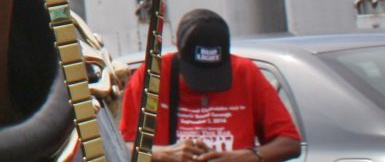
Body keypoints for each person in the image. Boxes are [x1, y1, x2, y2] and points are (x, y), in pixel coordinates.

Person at [119, 9, 302, 161]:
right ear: (178, 49)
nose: (205, 88)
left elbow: (291, 143)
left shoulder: (245, 73)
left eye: (214, 75)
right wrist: (164, 154)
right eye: (197, 74)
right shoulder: (151, 77)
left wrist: (244, 157)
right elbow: (121, 149)